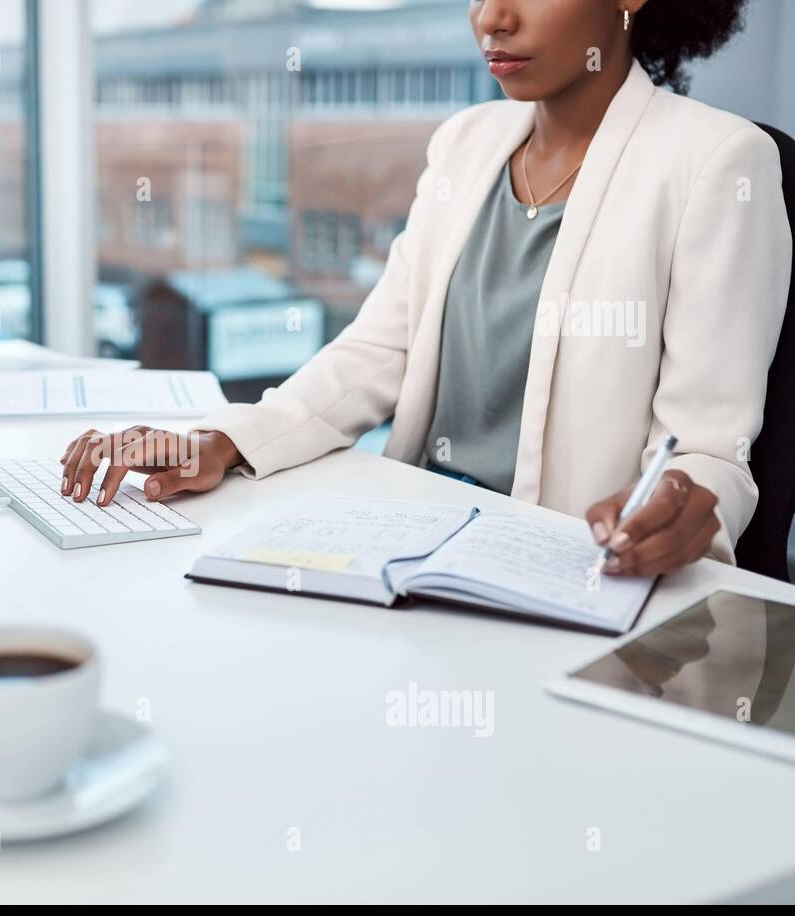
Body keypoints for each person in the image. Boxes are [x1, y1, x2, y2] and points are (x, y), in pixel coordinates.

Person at [59, 0, 791, 578]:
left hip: (570, 576)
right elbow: (379, 351)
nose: (491, 17)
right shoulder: (465, 142)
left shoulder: (717, 162)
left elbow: (706, 449)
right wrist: (221, 443)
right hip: (410, 550)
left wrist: (686, 506)